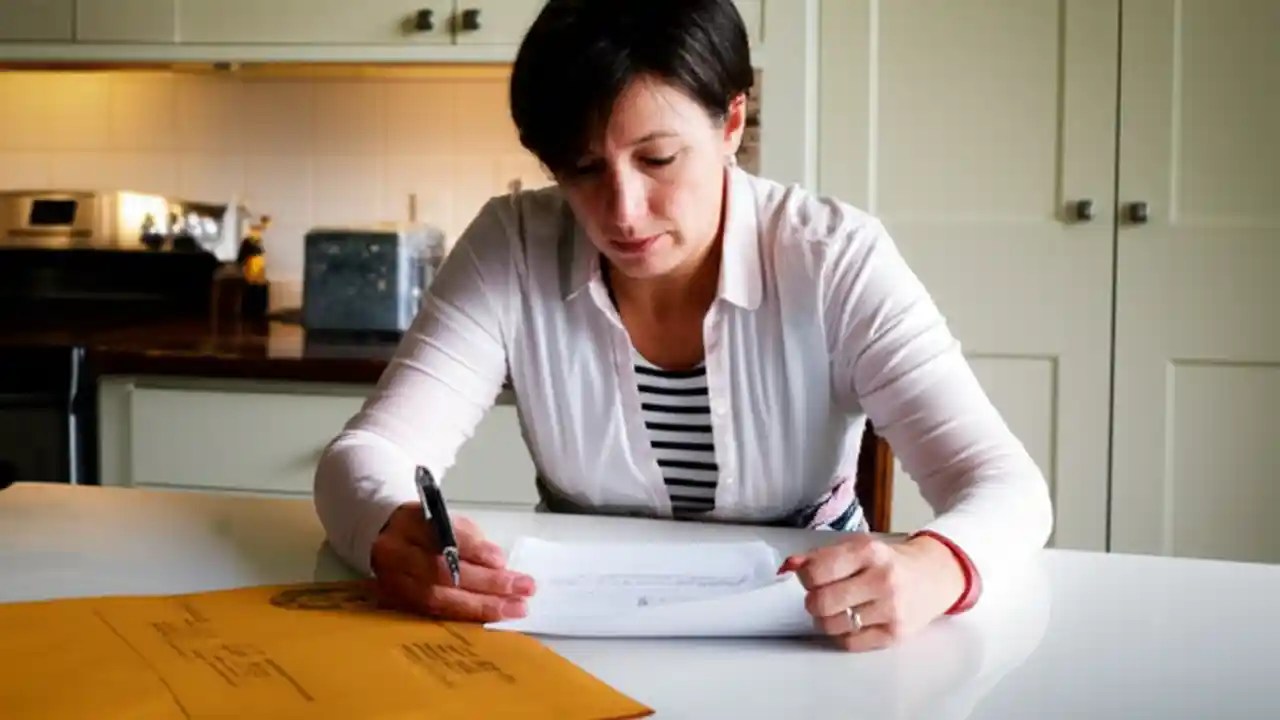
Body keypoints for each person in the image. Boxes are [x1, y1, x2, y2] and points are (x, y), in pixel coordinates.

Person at [314, 0, 1052, 653]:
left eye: (658, 159)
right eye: (582, 170)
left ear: (731, 121)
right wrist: (389, 529)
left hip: (813, 629)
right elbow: (369, 454)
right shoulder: (513, 244)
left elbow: (1006, 486)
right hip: (579, 633)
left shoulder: (833, 257)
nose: (623, 212)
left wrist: (935, 566)